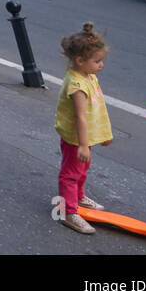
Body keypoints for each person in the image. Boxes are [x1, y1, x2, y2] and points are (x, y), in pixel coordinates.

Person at [54, 23, 113, 234]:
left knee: (81, 170)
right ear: (80, 60)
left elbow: (96, 108)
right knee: (70, 173)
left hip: (85, 137)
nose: (101, 65)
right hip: (76, 138)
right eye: (97, 61)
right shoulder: (76, 85)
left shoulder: (88, 75)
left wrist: (103, 135)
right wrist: (83, 144)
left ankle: (78, 197)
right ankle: (68, 212)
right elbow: (80, 116)